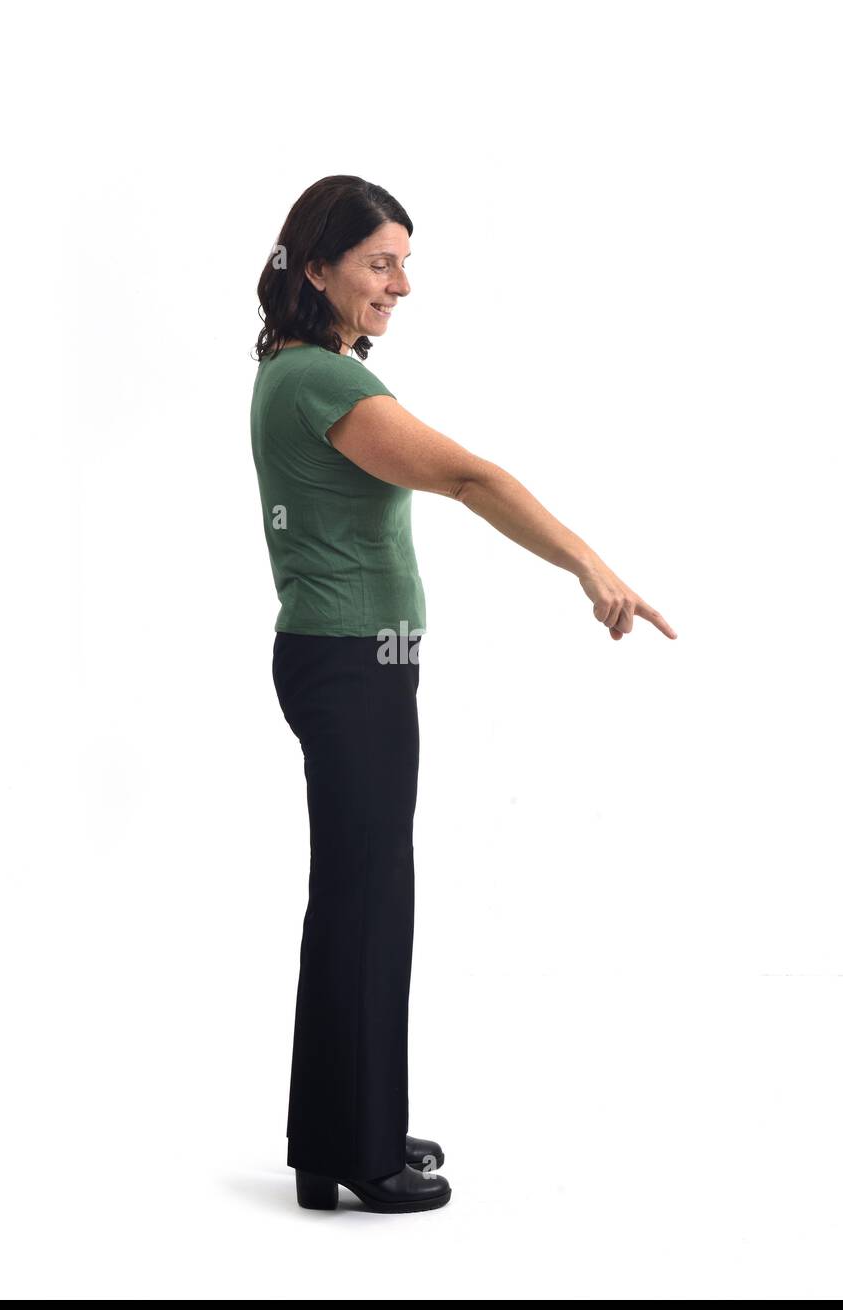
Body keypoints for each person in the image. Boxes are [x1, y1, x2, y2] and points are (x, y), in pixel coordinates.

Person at [250, 175, 677, 1216]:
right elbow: (469, 477)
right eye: (377, 263)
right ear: (316, 270)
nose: (400, 281)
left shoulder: (307, 371)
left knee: (359, 893)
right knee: (369, 897)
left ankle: (340, 1132)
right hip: (353, 662)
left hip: (350, 657)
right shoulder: (325, 385)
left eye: (403, 258)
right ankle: (357, 1151)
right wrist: (587, 563)